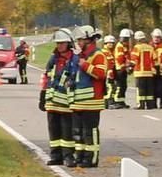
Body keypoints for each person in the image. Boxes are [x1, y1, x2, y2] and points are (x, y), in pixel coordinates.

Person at [39, 29, 77, 166]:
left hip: (67, 102)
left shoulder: (74, 59)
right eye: (58, 43)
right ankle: (56, 155)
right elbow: (46, 76)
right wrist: (42, 96)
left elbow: (76, 78)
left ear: (69, 43)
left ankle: (68, 156)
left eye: (62, 43)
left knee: (67, 131)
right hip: (51, 101)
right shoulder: (52, 58)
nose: (60, 45)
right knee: (53, 129)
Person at [73, 26, 106, 168]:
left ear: (88, 40)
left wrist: (85, 65)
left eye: (80, 40)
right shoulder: (81, 55)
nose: (78, 42)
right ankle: (79, 156)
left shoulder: (98, 55)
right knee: (78, 131)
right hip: (78, 101)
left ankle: (91, 158)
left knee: (90, 131)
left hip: (93, 101)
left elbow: (101, 74)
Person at [138, 27, 162, 108]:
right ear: (152, 37)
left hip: (161, 69)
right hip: (151, 69)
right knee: (152, 87)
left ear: (161, 38)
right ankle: (153, 103)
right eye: (155, 37)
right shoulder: (148, 46)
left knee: (161, 88)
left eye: (158, 37)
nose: (156, 39)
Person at [110, 28, 133, 108]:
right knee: (119, 86)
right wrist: (126, 66)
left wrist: (129, 66)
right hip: (119, 69)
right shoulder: (119, 46)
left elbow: (128, 57)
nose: (126, 40)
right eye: (125, 38)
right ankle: (117, 102)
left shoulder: (125, 46)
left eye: (127, 39)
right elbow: (119, 59)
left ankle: (122, 101)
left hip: (123, 69)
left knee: (124, 86)